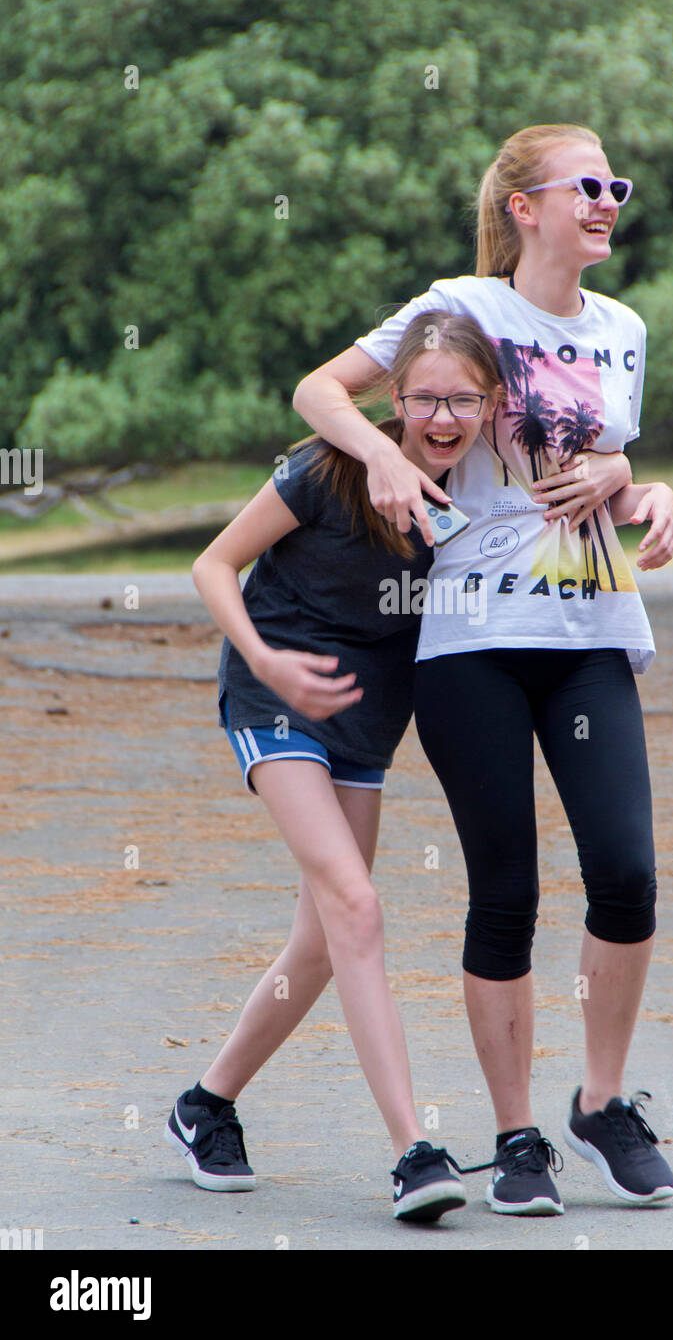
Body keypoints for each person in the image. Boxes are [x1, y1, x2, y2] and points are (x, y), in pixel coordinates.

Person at [292, 123, 673, 1216]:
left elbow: (605, 469)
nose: (607, 200)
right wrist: (378, 453)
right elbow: (320, 391)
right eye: (587, 185)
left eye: (616, 185)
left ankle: (598, 1104)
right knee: (502, 888)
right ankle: (515, 1139)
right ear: (524, 206)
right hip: (469, 641)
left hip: (591, 631)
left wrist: (645, 489)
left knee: (627, 872)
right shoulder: (458, 305)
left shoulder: (623, 328)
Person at [164, 309, 504, 1222]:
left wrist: (635, 481)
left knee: (319, 945)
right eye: (425, 397)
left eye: (462, 400)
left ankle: (205, 1104)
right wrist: (264, 658)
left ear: (488, 403)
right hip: (274, 692)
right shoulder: (324, 469)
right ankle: (412, 1151)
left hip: (365, 724)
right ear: (393, 400)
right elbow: (213, 564)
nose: (443, 417)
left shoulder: (483, 484)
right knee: (356, 905)